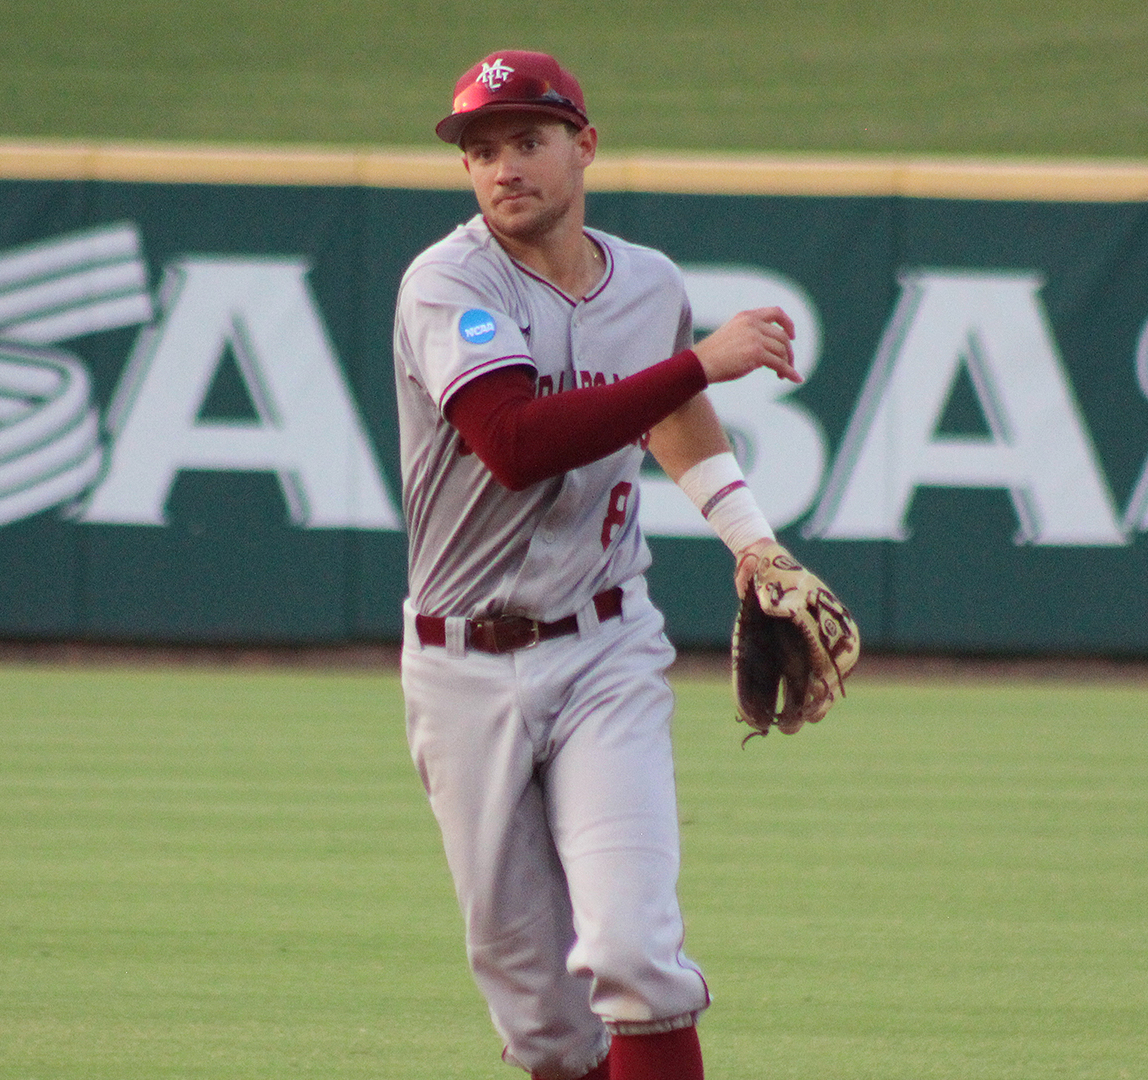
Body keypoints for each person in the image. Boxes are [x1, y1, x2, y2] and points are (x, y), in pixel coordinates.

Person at [391, 49, 805, 1080]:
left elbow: (673, 416)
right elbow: (517, 443)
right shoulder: (448, 282)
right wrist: (698, 358)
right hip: (460, 669)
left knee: (633, 957)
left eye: (526, 140)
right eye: (481, 150)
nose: (502, 167)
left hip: (604, 651)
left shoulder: (648, 282)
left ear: (585, 145)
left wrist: (749, 537)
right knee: (542, 1023)